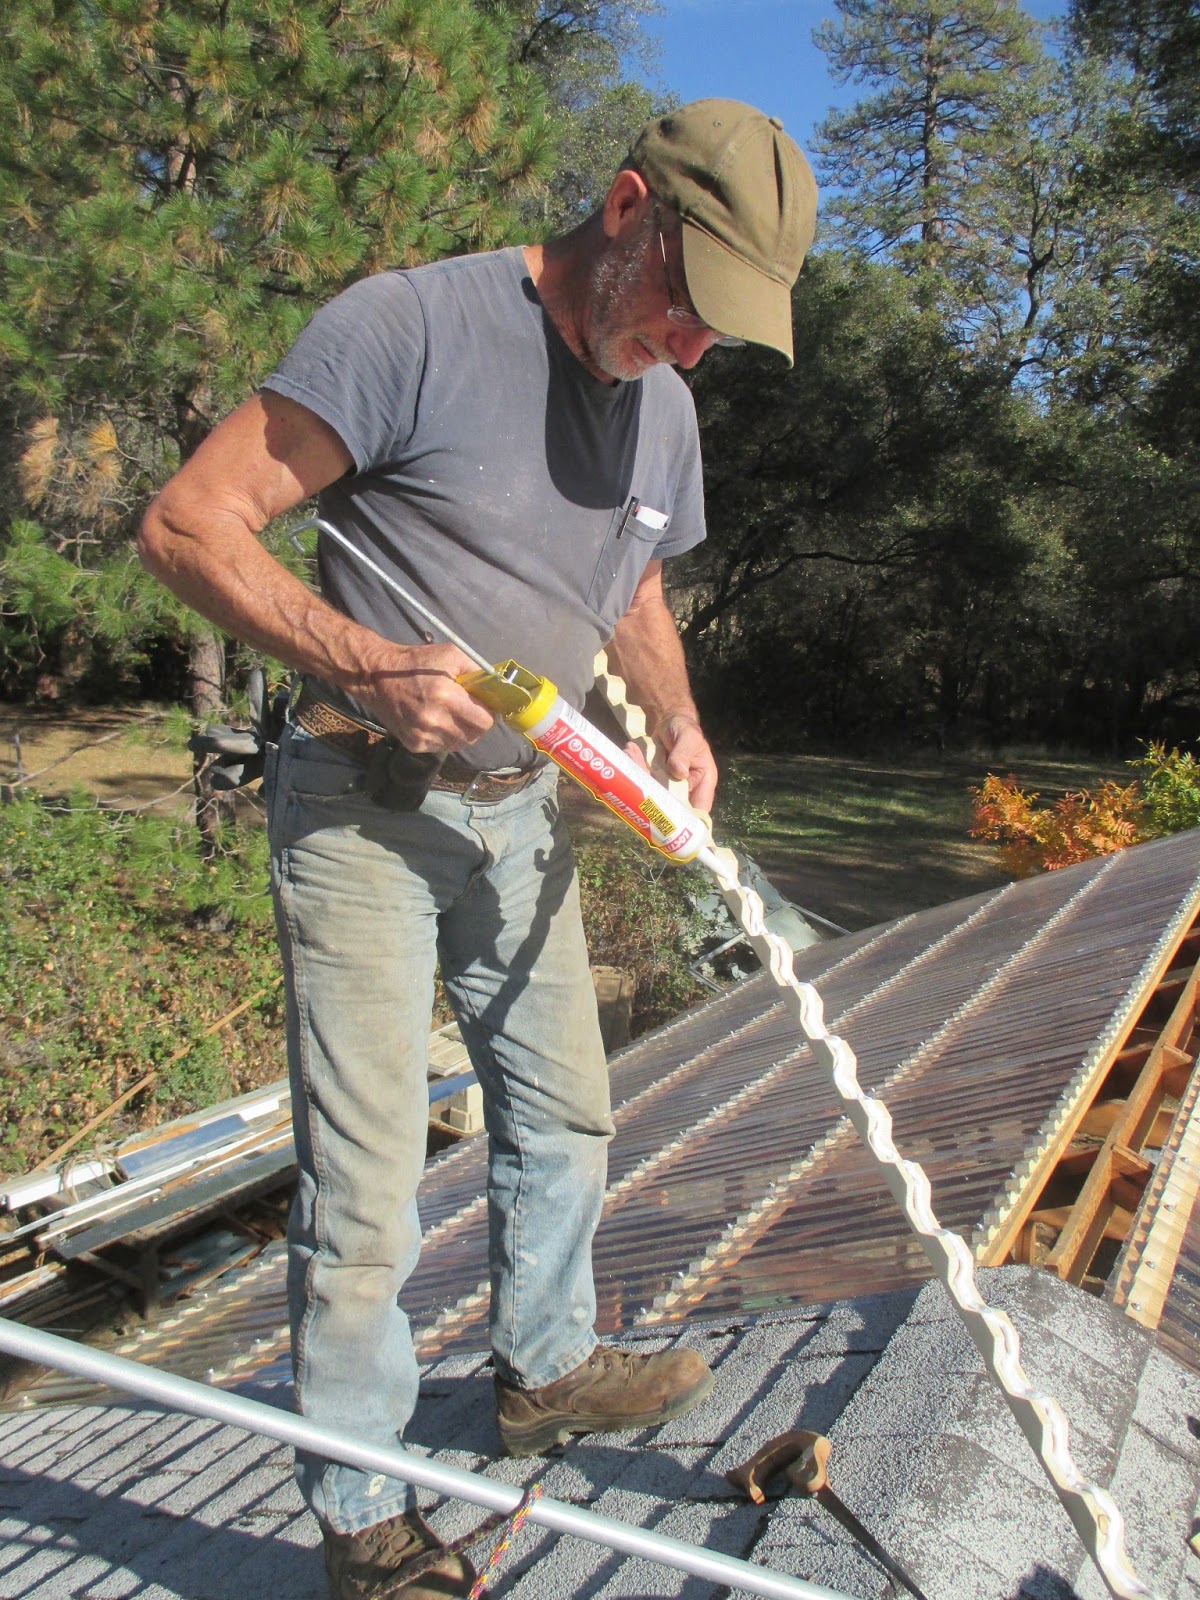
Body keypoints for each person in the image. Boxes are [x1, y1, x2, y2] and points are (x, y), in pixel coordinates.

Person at [139, 98, 816, 1600]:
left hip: (524, 817)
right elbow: (189, 523)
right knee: (370, 1183)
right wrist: (368, 660)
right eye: (688, 314)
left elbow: (632, 579)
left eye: (722, 337)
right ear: (629, 208)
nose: (694, 353)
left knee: (568, 1112)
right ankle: (364, 1516)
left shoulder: (667, 403)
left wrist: (679, 713)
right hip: (361, 805)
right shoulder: (407, 330)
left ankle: (545, 1366)